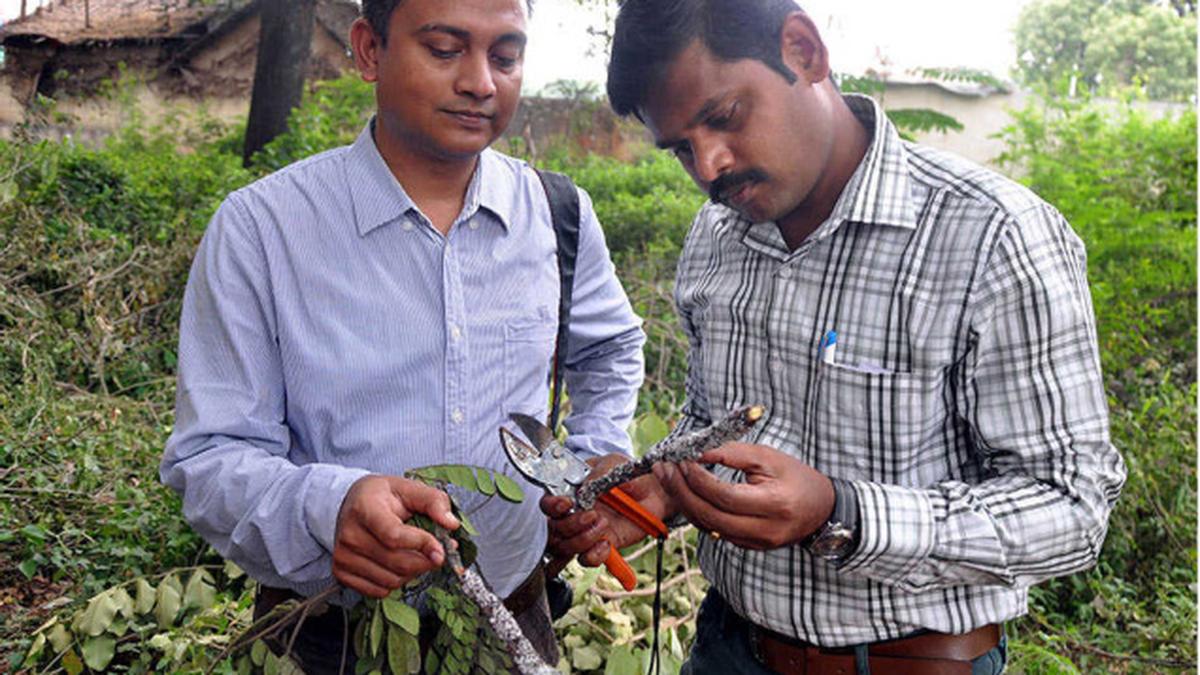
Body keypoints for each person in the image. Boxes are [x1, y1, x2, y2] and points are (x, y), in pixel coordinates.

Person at [543, 1, 1125, 673]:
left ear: (802, 50)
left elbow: (1071, 508)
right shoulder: (716, 237)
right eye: (680, 147)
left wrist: (840, 512)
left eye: (724, 117)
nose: (708, 167)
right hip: (727, 648)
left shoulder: (994, 237)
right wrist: (667, 487)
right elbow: (712, 427)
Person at [160, 0, 645, 671]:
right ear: (369, 50)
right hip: (327, 632)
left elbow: (610, 350)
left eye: (505, 56)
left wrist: (591, 458)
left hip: (512, 614)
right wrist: (330, 510)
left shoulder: (558, 216)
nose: (481, 82)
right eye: (446, 49)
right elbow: (210, 454)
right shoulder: (261, 232)